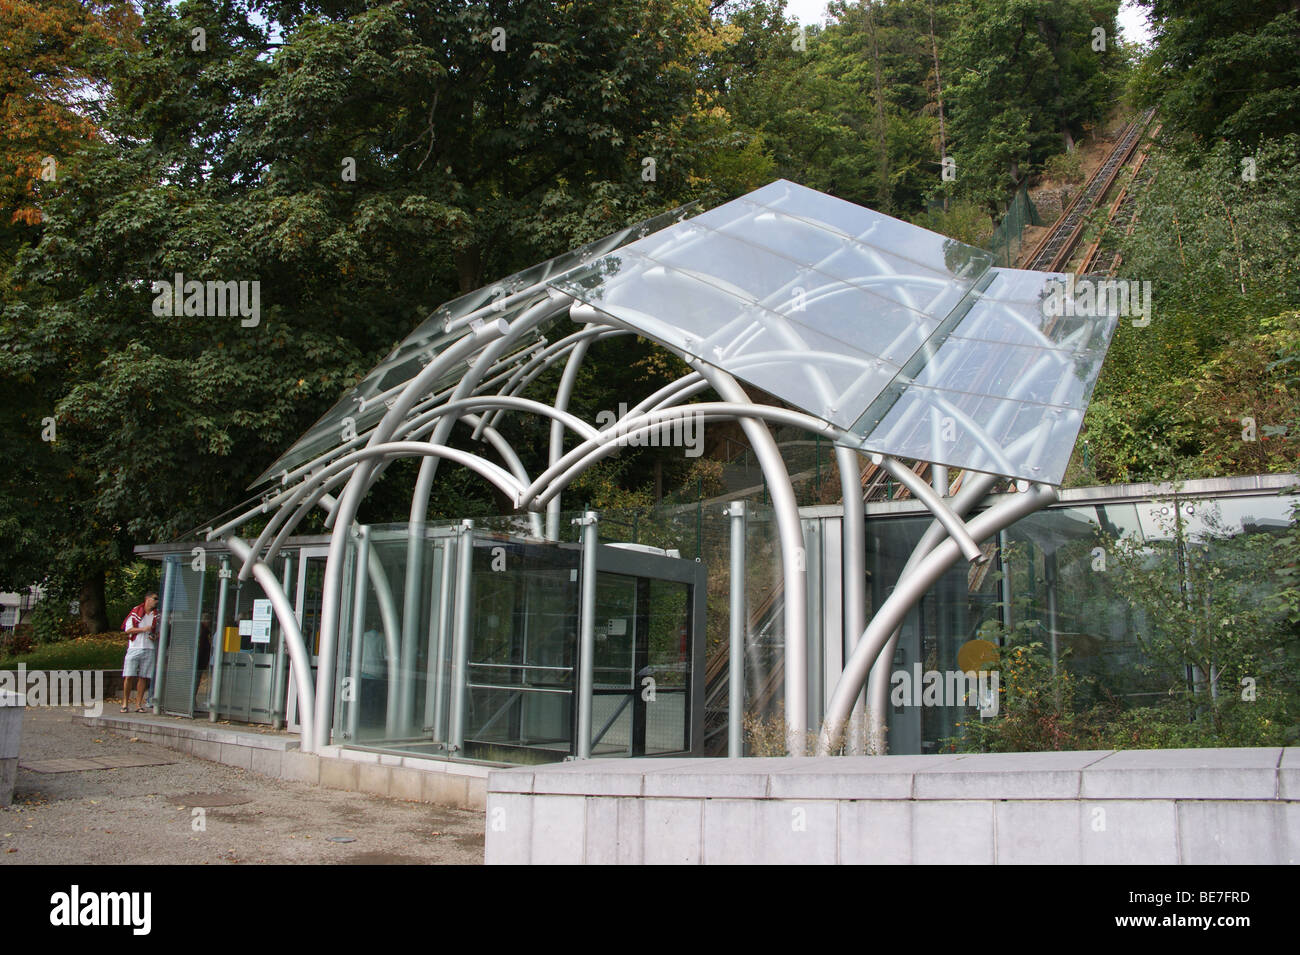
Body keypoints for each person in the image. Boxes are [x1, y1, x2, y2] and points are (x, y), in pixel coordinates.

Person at [121, 592, 159, 713]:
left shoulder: (156, 615)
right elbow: (128, 630)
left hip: (149, 648)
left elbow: (157, 632)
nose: (156, 601)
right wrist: (143, 629)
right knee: (129, 675)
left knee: (143, 677)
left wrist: (155, 636)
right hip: (134, 647)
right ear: (147, 599)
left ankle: (138, 704)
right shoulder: (136, 611)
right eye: (155, 599)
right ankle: (125, 702)